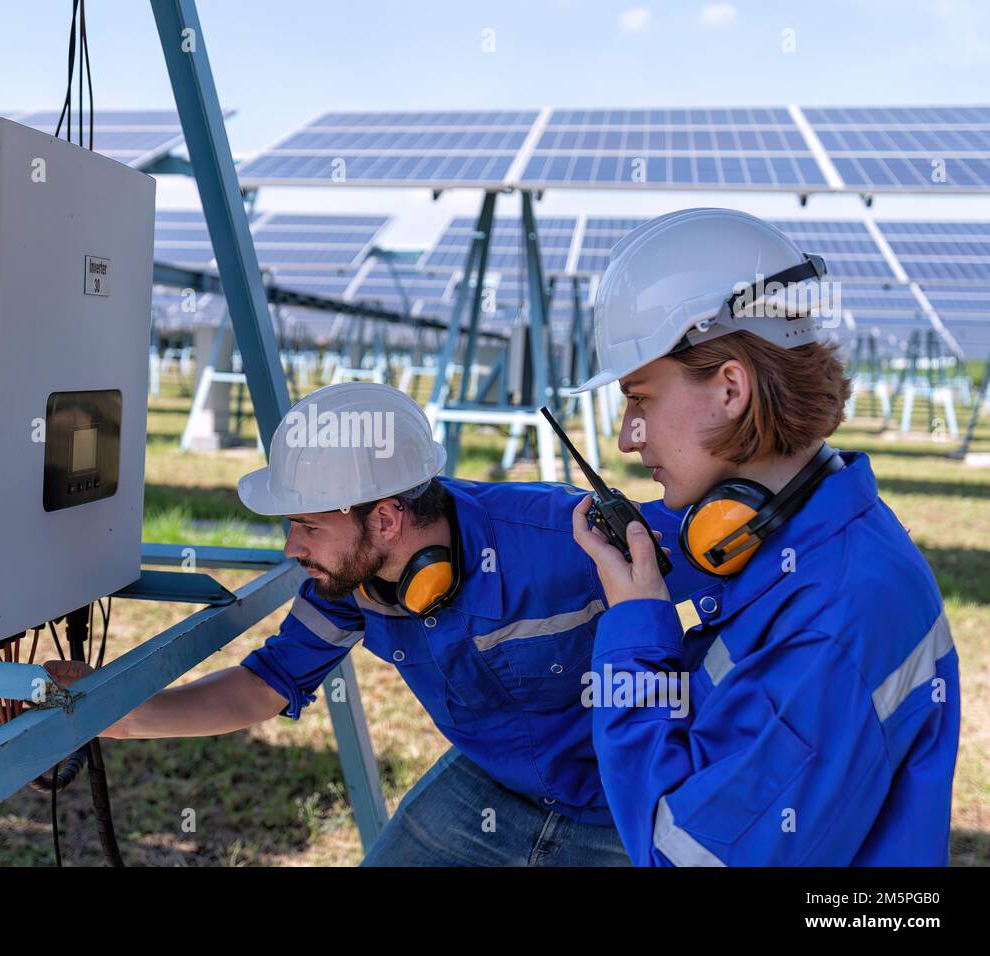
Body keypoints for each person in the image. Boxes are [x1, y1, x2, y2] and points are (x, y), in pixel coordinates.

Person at [49, 381, 708, 865]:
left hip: (624, 805)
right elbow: (266, 685)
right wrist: (122, 714)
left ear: (386, 518)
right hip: (489, 783)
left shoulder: (558, 537)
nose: (291, 547)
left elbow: (730, 542)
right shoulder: (350, 580)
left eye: (307, 525)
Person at [569, 207, 960, 866]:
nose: (626, 437)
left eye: (640, 400)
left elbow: (680, 859)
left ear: (729, 389)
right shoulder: (805, 536)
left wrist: (637, 632)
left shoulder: (836, 617)